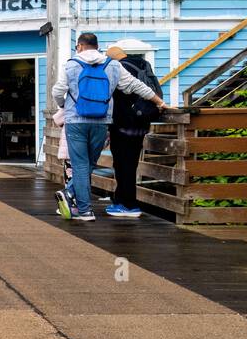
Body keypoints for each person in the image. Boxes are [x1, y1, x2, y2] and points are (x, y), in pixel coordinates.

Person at [52, 32, 167, 222]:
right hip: (101, 122)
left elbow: (58, 91)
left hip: (76, 122)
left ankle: (84, 210)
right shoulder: (112, 65)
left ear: (80, 46)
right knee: (88, 163)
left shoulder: (71, 64)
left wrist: (64, 105)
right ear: (97, 46)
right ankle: (70, 194)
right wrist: (159, 102)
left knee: (80, 164)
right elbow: (136, 85)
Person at [105, 44, 163, 218]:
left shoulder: (119, 68)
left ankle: (129, 205)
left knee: (123, 164)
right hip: (141, 122)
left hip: (123, 124)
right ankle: (121, 200)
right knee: (130, 163)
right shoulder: (143, 65)